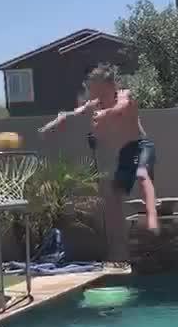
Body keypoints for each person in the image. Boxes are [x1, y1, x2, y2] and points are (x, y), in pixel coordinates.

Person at [39, 65, 160, 242]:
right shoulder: (96, 103)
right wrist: (54, 123)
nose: (94, 94)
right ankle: (122, 237)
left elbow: (122, 107)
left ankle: (152, 217)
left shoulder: (124, 95)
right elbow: (72, 114)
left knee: (142, 175)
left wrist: (105, 114)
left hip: (142, 145)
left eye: (97, 89)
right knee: (115, 191)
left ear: (110, 86)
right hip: (126, 152)